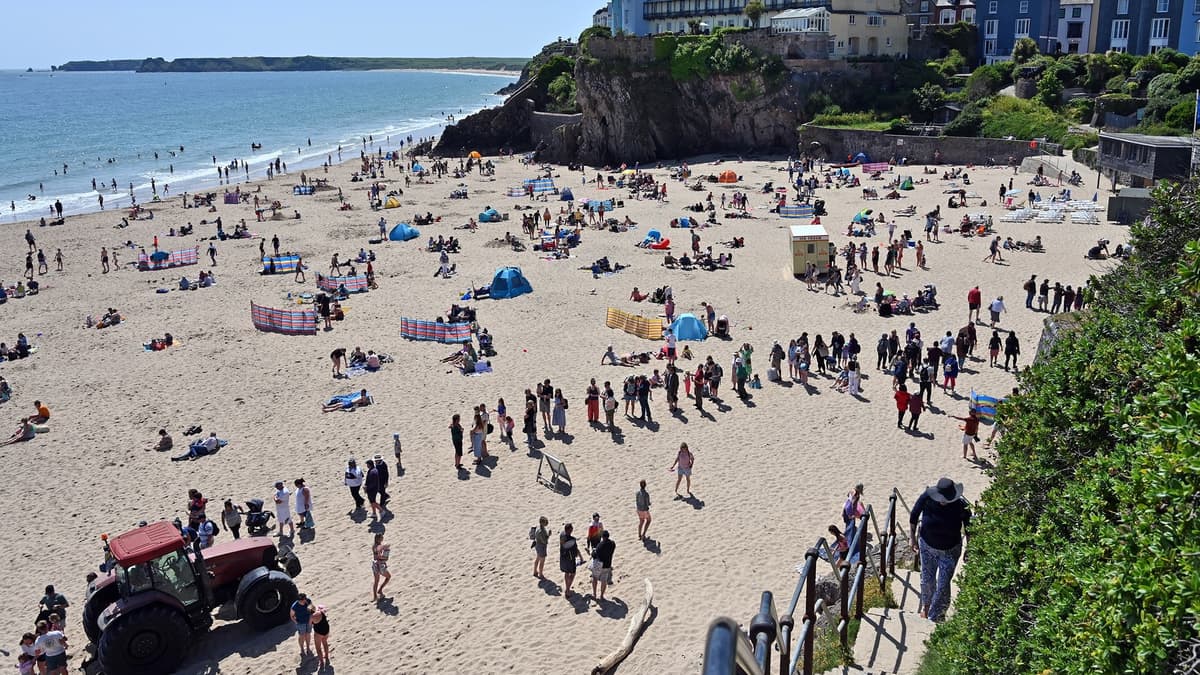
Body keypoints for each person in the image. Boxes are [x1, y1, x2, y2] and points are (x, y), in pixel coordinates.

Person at [909, 478, 971, 622]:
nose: (942, 501)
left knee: (943, 584)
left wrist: (969, 548)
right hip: (927, 546)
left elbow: (969, 529)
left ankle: (936, 615)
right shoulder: (927, 497)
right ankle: (926, 607)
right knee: (927, 579)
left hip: (950, 550)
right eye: (940, 497)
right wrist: (912, 538)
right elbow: (914, 515)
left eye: (946, 498)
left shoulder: (961, 505)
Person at [559, 524, 585, 599]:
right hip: (570, 559)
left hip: (563, 558)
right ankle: (567, 590)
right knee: (573, 574)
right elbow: (576, 550)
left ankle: (567, 588)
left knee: (566, 573)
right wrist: (581, 558)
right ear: (570, 530)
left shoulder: (561, 535)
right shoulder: (572, 540)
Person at [591, 530, 616, 600]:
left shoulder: (600, 545)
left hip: (599, 565)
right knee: (604, 581)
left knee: (594, 578)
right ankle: (601, 596)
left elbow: (595, 555)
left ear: (602, 537)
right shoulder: (612, 543)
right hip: (607, 565)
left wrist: (593, 552)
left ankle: (594, 594)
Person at [290, 593, 314, 658]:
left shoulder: (308, 601)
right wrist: (297, 623)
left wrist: (311, 620)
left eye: (305, 599)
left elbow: (312, 610)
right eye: (303, 600)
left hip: (309, 621)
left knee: (308, 634)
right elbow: (292, 616)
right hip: (300, 623)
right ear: (299, 600)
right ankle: (302, 649)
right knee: (302, 636)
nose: (304, 601)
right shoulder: (294, 606)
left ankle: (308, 647)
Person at [372, 533, 392, 599]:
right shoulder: (379, 546)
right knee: (388, 577)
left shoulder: (374, 546)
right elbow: (380, 556)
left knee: (376, 581)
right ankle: (380, 590)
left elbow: (376, 555)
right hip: (380, 565)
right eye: (381, 537)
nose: (382, 538)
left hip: (375, 564)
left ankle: (375, 596)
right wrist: (385, 558)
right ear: (379, 539)